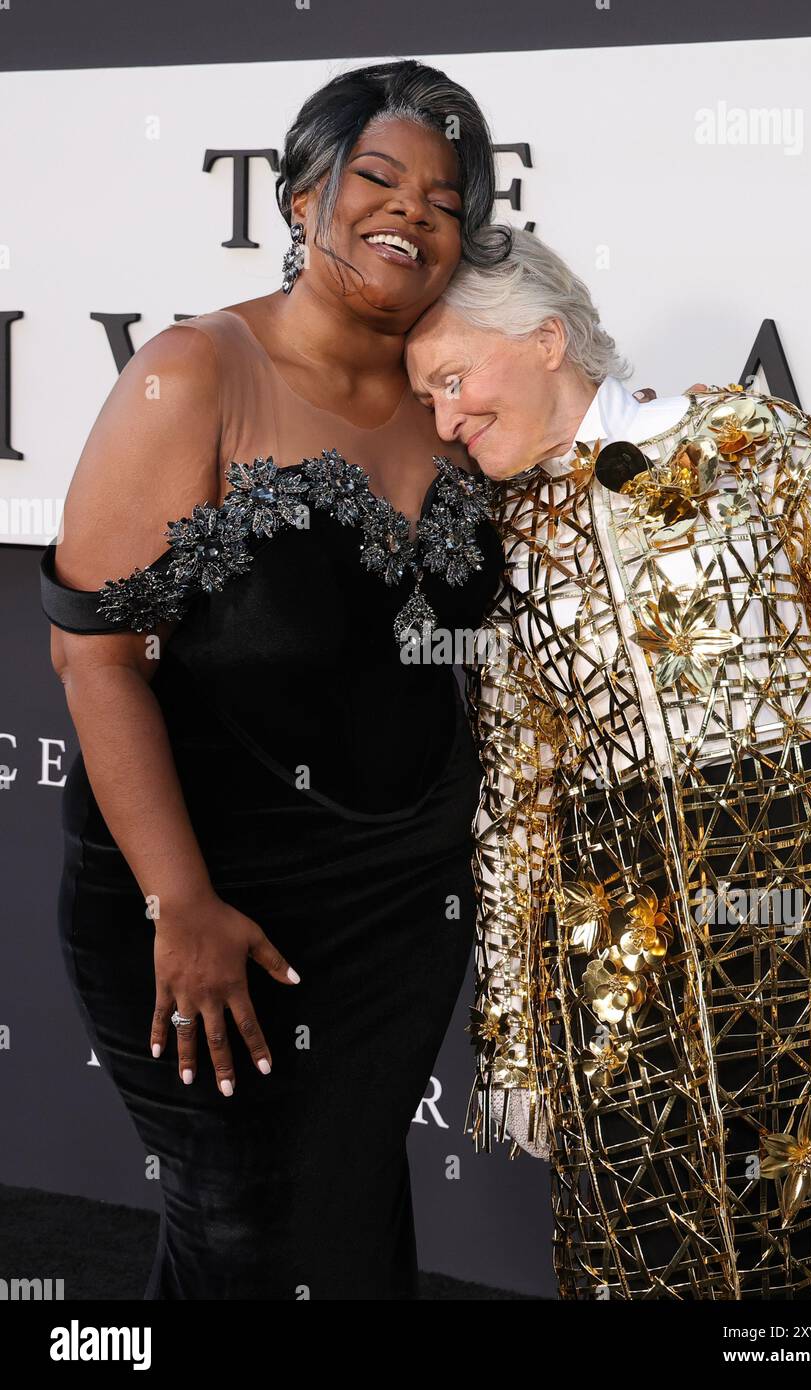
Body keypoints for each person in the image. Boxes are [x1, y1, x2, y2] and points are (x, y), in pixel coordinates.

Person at [39, 60, 508, 1301]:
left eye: (448, 197)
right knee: (247, 1243)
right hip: (207, 901)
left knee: (339, 1235)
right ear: (303, 193)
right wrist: (177, 906)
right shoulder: (196, 374)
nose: (412, 210)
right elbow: (92, 659)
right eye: (377, 175)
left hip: (401, 908)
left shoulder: (451, 394)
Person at [405, 227, 811, 1299]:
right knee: (652, 1238)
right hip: (616, 936)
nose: (444, 418)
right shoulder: (493, 539)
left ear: (545, 339)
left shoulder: (745, 438)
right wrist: (512, 1046)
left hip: (810, 894)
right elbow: (515, 796)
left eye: (453, 380)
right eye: (427, 399)